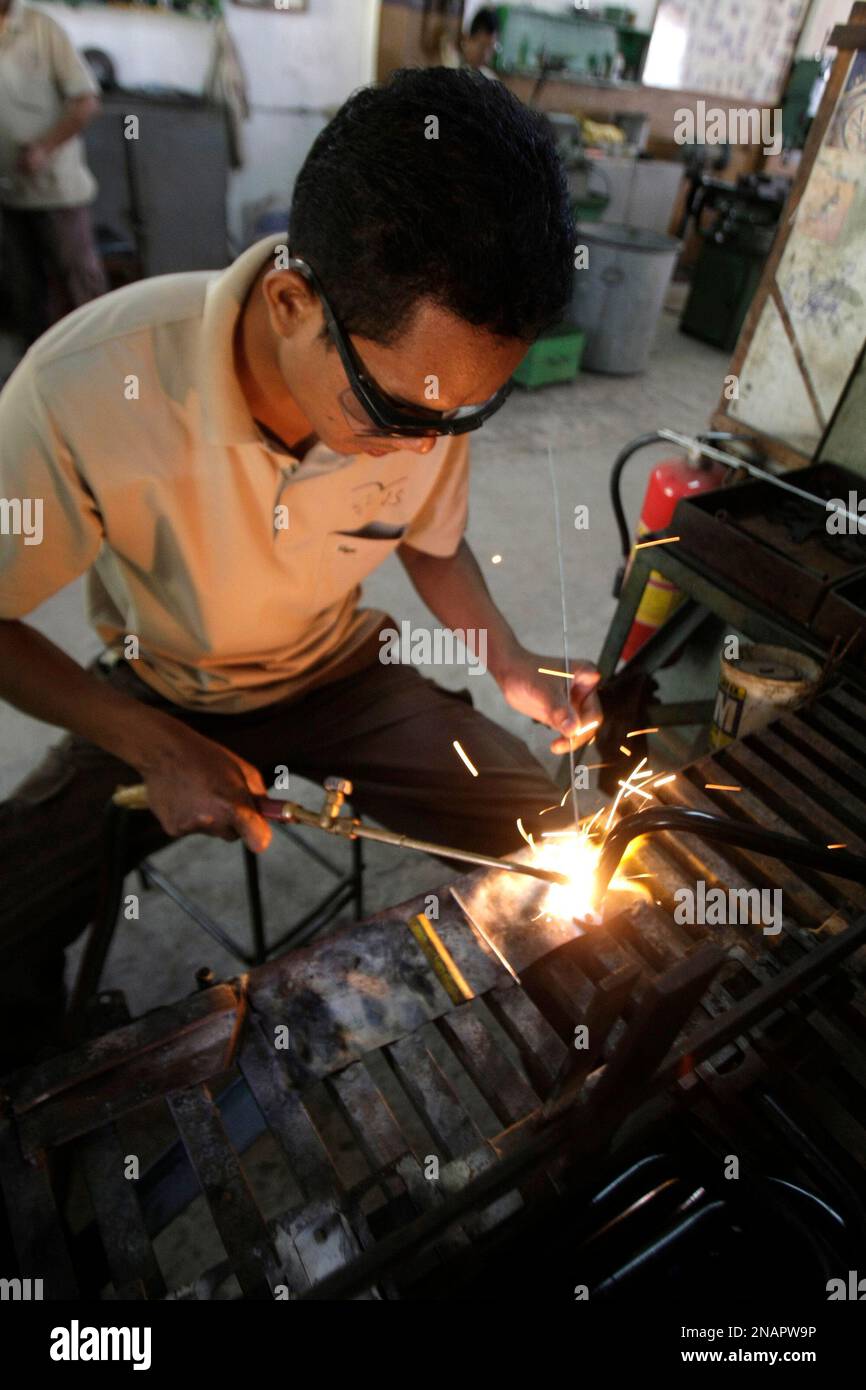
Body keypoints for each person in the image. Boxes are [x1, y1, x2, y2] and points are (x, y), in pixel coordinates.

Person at [0, 67, 600, 1071]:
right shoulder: (85, 389)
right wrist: (148, 742)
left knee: (546, 822)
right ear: (290, 303)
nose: (425, 449)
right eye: (400, 416)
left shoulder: (425, 391)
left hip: (338, 679)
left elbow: (433, 543)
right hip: (166, 688)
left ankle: (563, 1064)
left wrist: (509, 660)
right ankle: (53, 1106)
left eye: (460, 419)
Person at [0, 0, 105, 345]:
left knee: (79, 290)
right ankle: (36, 382)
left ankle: (99, 372)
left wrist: (44, 147)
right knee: (25, 295)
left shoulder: (41, 28)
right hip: (7, 190)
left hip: (55, 189)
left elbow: (86, 101)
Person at [441, 7, 500, 78]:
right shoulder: (449, 65)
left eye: (490, 48)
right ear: (467, 39)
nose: (485, 55)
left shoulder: (490, 78)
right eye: (481, 46)